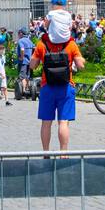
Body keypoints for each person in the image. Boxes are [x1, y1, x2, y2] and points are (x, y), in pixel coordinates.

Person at [30, 22, 84, 152]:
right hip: (66, 87)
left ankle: (46, 152)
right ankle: (63, 153)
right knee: (63, 122)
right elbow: (81, 66)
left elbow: (32, 65)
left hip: (47, 86)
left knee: (46, 122)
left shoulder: (42, 43)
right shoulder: (71, 44)